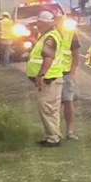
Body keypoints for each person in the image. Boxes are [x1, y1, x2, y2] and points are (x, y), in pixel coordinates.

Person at [27, 11, 65, 147]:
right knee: (51, 108)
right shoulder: (47, 36)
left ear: (45, 23)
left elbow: (48, 58)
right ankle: (52, 135)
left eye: (39, 23)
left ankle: (53, 138)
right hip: (51, 78)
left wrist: (41, 74)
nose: (37, 25)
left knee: (47, 108)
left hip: (49, 79)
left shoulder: (50, 38)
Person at [57, 13, 82, 140]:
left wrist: (73, 71)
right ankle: (55, 132)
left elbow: (76, 54)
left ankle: (70, 131)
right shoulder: (48, 33)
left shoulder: (70, 33)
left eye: (60, 19)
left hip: (65, 73)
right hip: (52, 74)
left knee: (68, 101)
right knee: (53, 104)